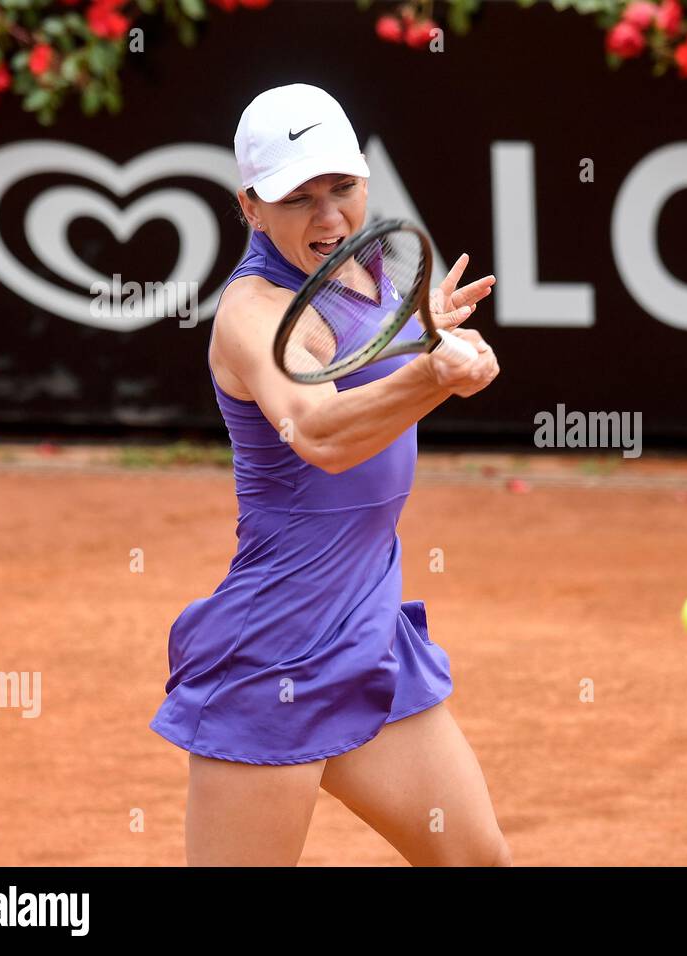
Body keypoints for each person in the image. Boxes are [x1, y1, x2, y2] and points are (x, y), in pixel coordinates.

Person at [149, 83, 508, 866]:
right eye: (297, 199)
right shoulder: (254, 312)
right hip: (273, 648)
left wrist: (415, 338)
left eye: (341, 187)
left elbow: (350, 369)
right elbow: (315, 431)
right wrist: (432, 376)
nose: (330, 218)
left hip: (366, 629)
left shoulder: (360, 267)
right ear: (250, 207)